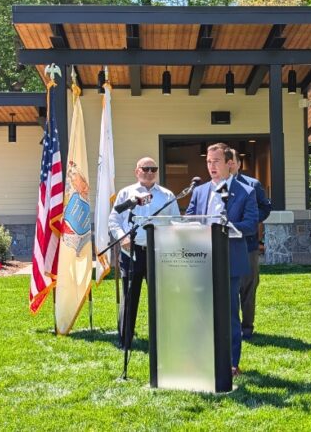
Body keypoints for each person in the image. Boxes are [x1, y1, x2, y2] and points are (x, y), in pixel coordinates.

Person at [186, 143, 258, 377]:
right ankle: (201, 358)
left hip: (230, 259)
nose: (211, 166)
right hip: (202, 259)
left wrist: (227, 226)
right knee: (201, 312)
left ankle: (231, 362)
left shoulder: (245, 192)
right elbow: (190, 217)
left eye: (216, 161)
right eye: (208, 162)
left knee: (229, 314)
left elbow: (251, 224)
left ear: (229, 163)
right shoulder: (199, 191)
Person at [109, 157, 180, 349]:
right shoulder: (126, 193)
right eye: (145, 169)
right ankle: (125, 341)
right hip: (132, 252)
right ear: (137, 171)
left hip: (159, 252)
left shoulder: (167, 195)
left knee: (160, 298)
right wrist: (122, 238)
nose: (149, 172)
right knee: (130, 297)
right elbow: (114, 220)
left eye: (153, 169)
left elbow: (176, 222)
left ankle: (163, 340)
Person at [229, 148, 271, 341]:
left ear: (239, 164)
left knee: (248, 287)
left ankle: (247, 327)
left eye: (232, 162)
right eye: (226, 162)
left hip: (248, 245)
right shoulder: (215, 187)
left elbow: (265, 207)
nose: (229, 165)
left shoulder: (252, 185)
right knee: (227, 289)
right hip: (224, 246)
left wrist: (252, 219)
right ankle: (231, 327)